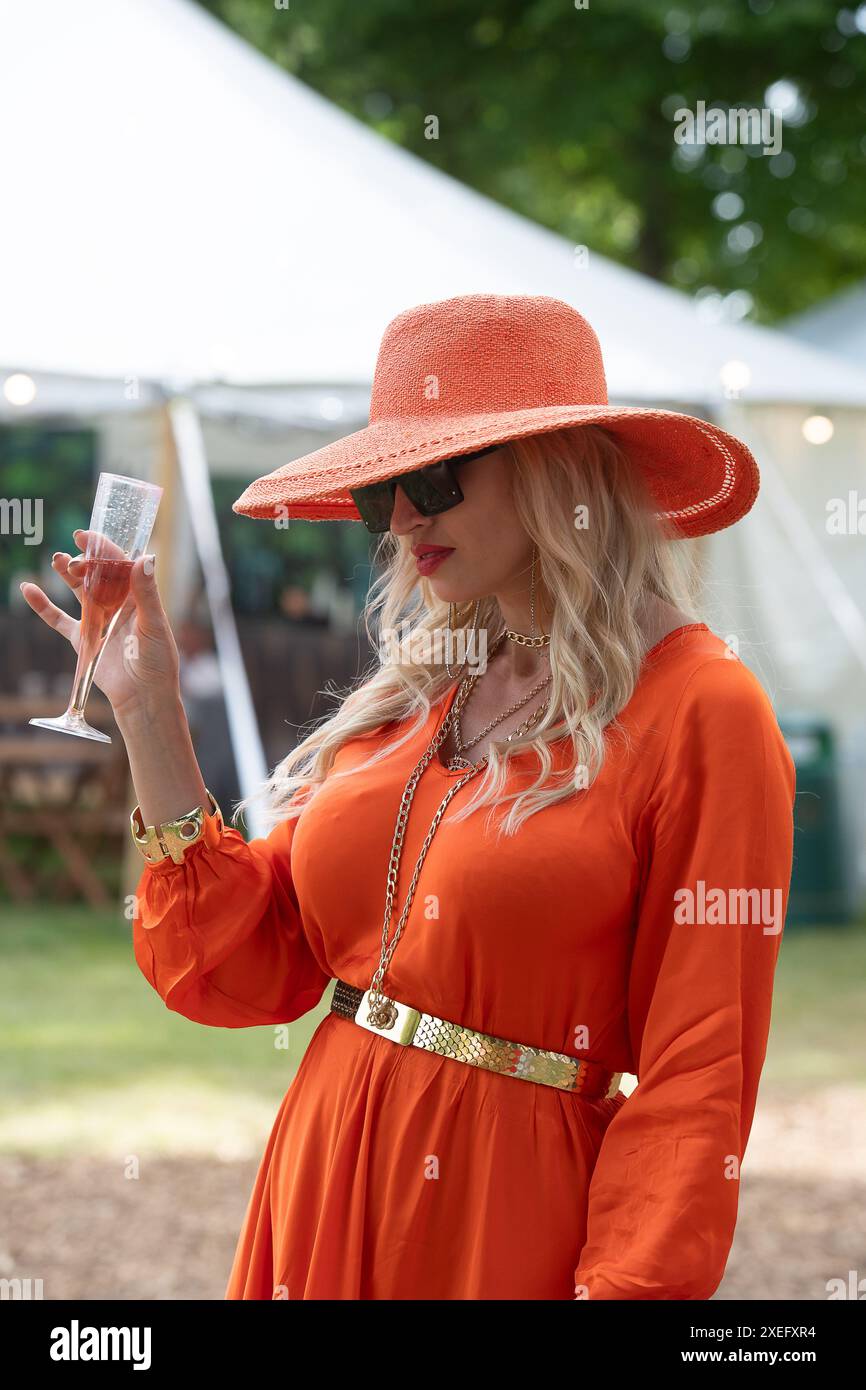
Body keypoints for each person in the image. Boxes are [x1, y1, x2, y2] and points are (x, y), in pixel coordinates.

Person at [21, 294, 796, 1300]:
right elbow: (241, 965)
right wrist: (150, 709)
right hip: (323, 1173)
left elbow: (700, 1075)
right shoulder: (421, 692)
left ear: (557, 472)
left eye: (431, 476)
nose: (399, 516)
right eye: (386, 484)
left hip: (504, 1222)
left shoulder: (702, 706)